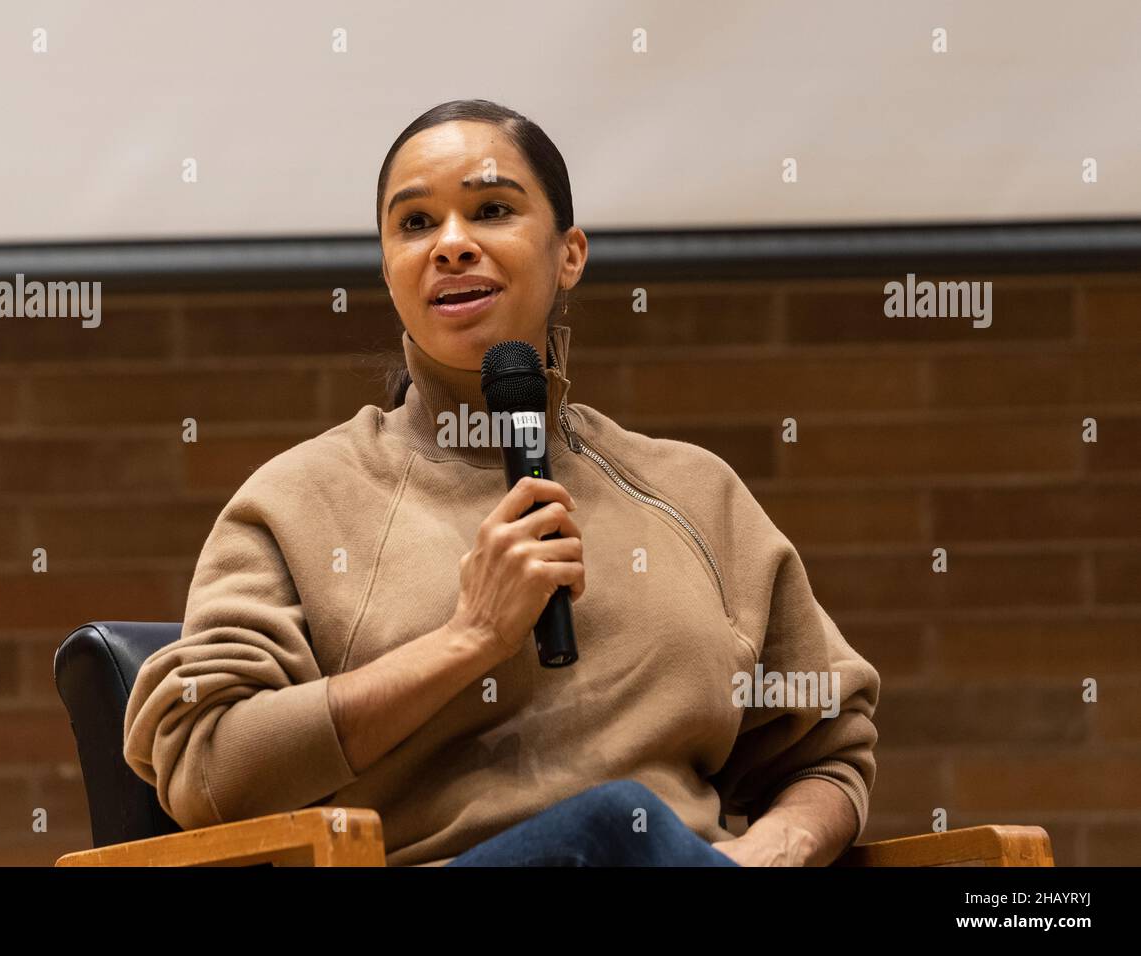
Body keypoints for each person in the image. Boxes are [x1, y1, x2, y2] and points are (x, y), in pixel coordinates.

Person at [123, 99, 880, 867]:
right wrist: (469, 639)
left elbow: (826, 750)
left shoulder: (695, 493)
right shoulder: (298, 502)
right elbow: (209, 768)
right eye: (416, 224)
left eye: (491, 210)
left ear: (569, 255)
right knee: (610, 826)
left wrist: (782, 844)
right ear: (389, 273)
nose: (452, 245)